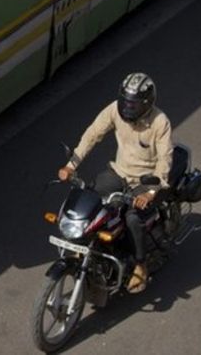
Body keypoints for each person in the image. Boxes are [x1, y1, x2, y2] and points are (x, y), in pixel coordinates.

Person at [58, 73, 173, 294]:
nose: (127, 108)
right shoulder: (114, 110)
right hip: (119, 173)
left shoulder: (160, 122)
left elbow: (164, 160)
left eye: (134, 104)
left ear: (147, 104)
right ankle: (84, 248)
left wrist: (150, 192)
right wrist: (71, 165)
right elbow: (93, 134)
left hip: (146, 181)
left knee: (132, 218)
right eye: (125, 102)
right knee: (91, 197)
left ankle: (140, 264)